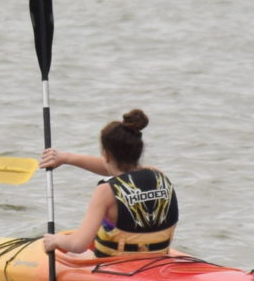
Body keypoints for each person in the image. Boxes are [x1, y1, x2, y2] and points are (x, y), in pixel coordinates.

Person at [39, 108, 178, 260]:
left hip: (115, 264)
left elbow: (78, 245)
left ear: (106, 155)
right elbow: (119, 171)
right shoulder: (159, 176)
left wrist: (56, 240)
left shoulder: (105, 192)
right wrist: (67, 158)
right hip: (158, 260)